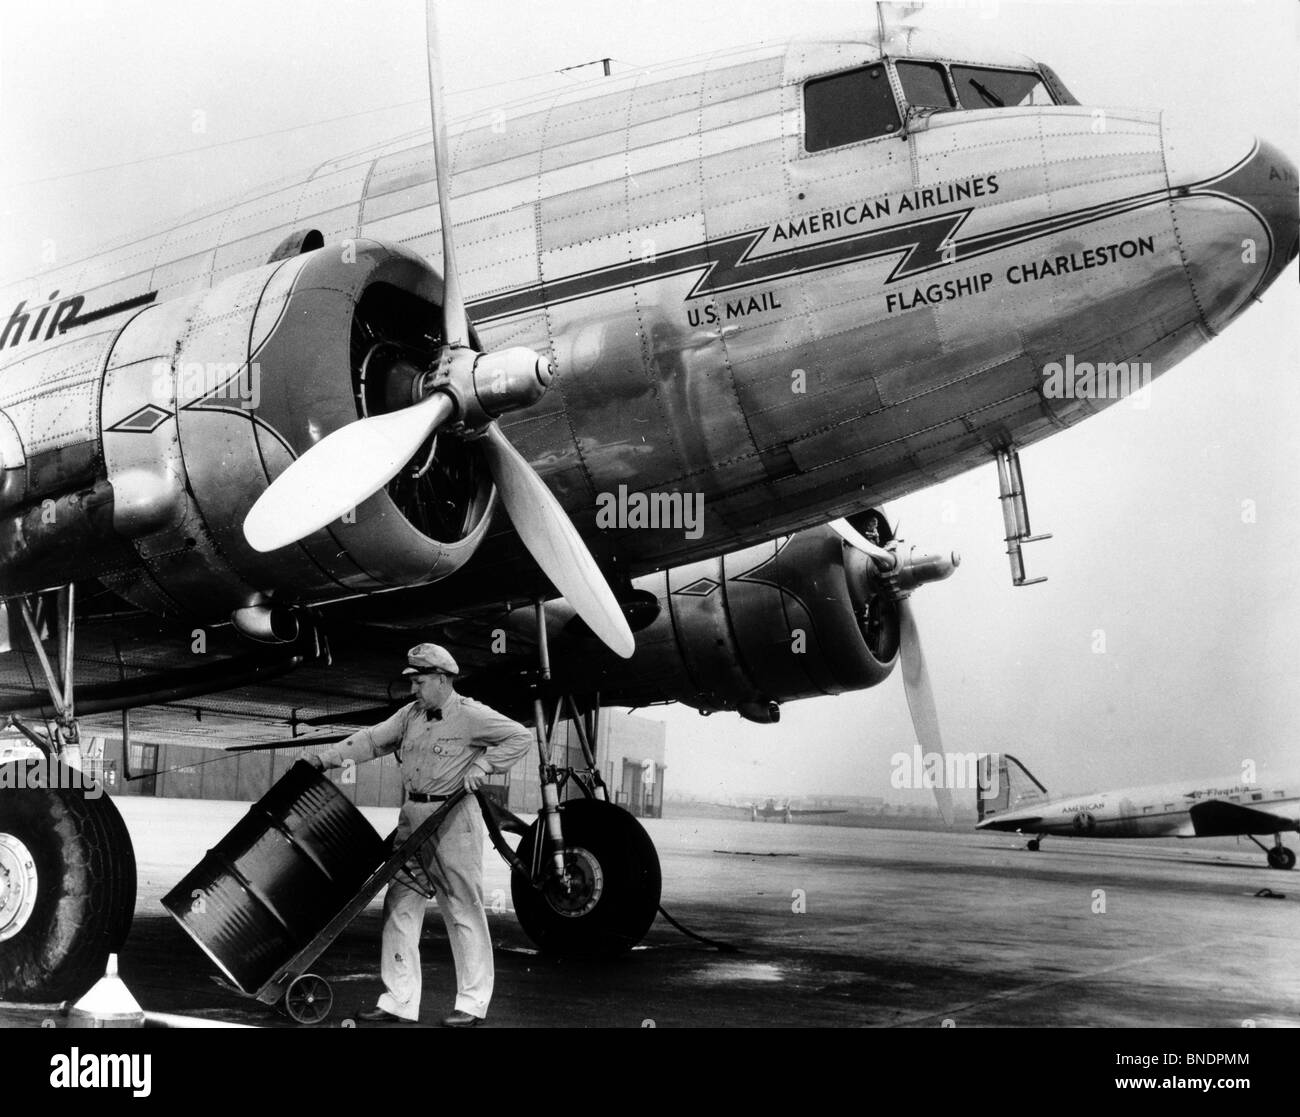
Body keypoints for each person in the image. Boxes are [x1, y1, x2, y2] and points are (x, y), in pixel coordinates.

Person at [307, 643, 533, 1027]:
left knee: (462, 908)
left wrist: (486, 765)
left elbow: (520, 737)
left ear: (443, 680)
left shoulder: (472, 715)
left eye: (421, 682)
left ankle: (472, 1004)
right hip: (413, 818)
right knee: (399, 905)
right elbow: (371, 741)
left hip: (453, 819)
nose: (414, 689)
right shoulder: (410, 715)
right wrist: (322, 760)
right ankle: (398, 1001)